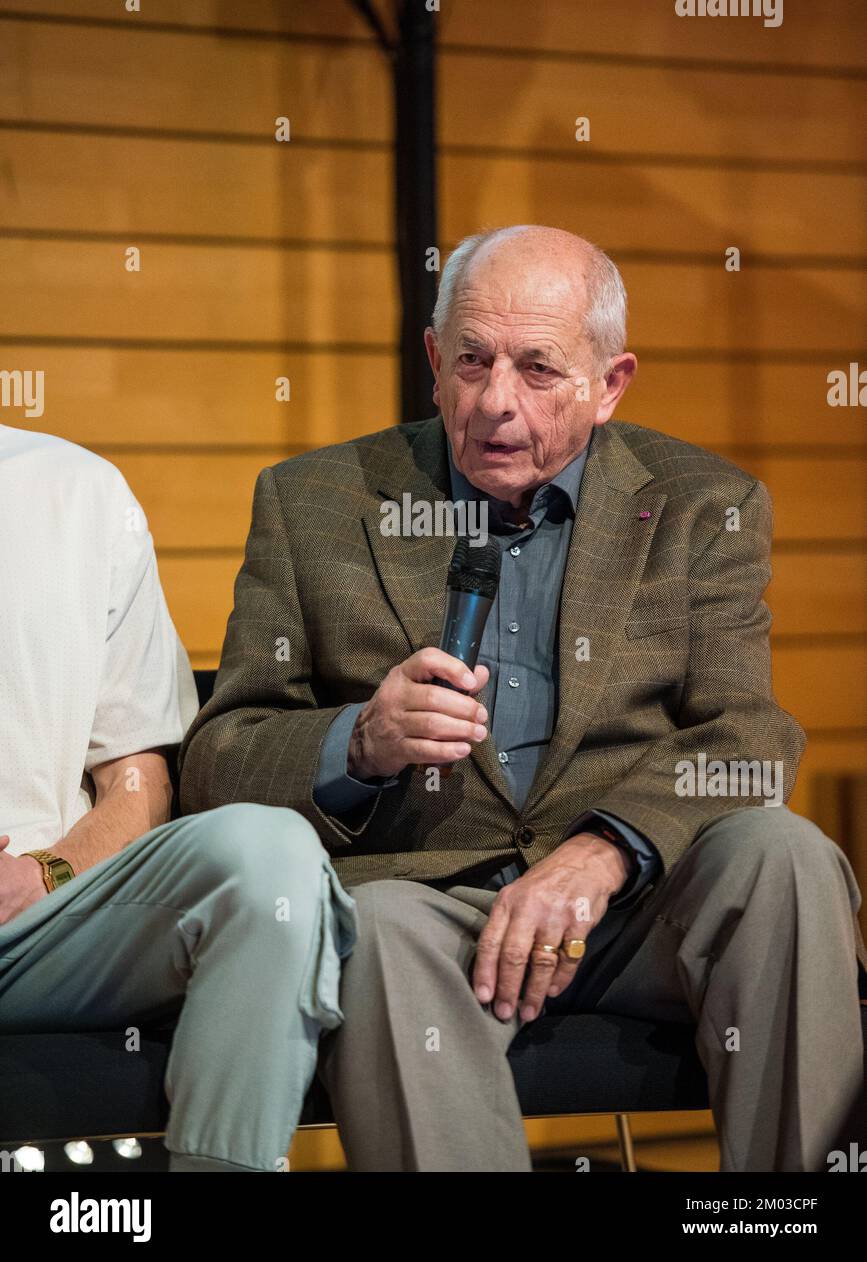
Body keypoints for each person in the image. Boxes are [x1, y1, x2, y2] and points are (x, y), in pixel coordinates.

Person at [179, 224, 867, 1171]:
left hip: (638, 911)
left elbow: (746, 734)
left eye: (538, 370)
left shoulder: (702, 504)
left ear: (611, 382)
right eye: (470, 361)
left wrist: (605, 850)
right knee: (373, 929)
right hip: (430, 915)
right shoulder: (316, 502)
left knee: (783, 855)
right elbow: (218, 764)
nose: (495, 403)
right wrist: (359, 741)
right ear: (432, 359)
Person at [0, 425, 356, 1172]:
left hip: (39, 927)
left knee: (269, 856)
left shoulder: (79, 491)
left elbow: (139, 774)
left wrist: (49, 872)